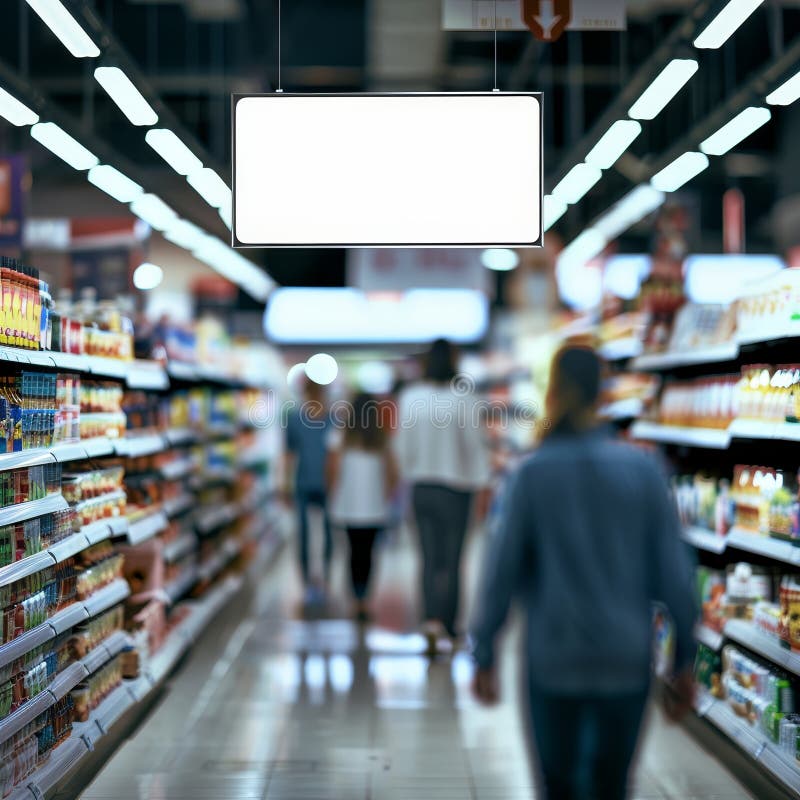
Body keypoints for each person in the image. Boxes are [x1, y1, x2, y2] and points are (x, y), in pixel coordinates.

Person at [470, 344, 697, 800]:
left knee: (559, 787)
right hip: (625, 658)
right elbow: (675, 572)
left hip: (553, 659)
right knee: (611, 786)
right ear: (602, 395)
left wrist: (484, 650)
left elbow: (502, 569)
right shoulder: (643, 470)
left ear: (552, 391)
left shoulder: (531, 474)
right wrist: (685, 657)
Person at [395, 338, 491, 651]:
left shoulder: (411, 398)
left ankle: (430, 621)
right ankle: (450, 626)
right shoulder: (463, 398)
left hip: (422, 487)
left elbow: (402, 449)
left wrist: (411, 471)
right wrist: (483, 484)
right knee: (452, 560)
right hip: (456, 489)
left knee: (427, 557)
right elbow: (474, 447)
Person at [327, 392, 399, 621]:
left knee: (352, 552)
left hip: (349, 505)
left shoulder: (341, 436)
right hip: (374, 506)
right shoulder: (381, 439)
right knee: (368, 553)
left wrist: (332, 493)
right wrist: (386, 495)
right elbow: (392, 473)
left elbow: (332, 470)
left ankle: (356, 599)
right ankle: (365, 598)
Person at [285, 377, 333, 606]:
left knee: (328, 535)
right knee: (303, 534)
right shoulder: (295, 419)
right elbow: (289, 454)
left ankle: (324, 578)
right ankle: (306, 581)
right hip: (304, 483)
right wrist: (284, 484)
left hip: (328, 484)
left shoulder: (333, 419)